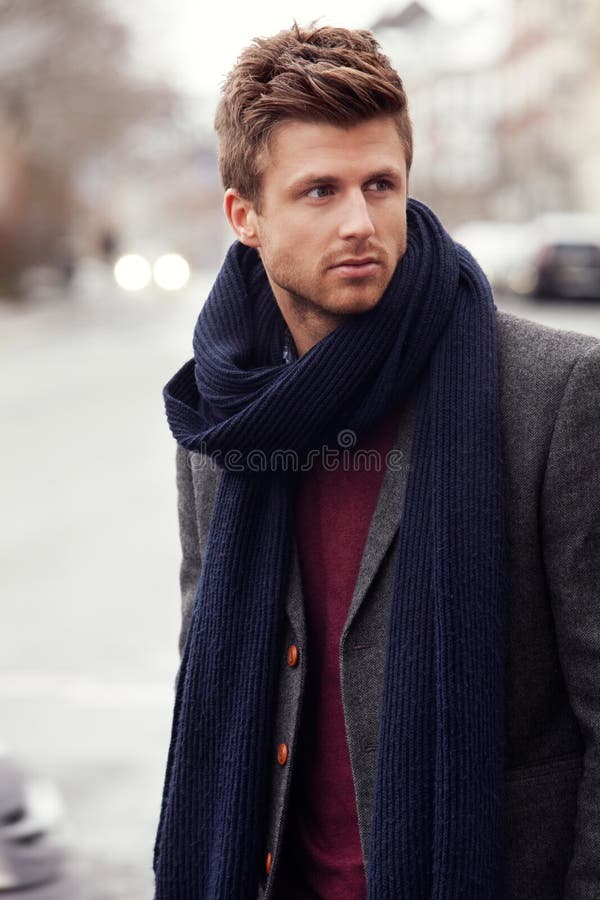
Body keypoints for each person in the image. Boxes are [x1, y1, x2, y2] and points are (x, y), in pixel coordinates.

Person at [153, 24, 600, 900]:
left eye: (380, 185)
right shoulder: (224, 425)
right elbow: (206, 692)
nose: (361, 222)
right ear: (245, 216)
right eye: (319, 190)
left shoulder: (555, 394)